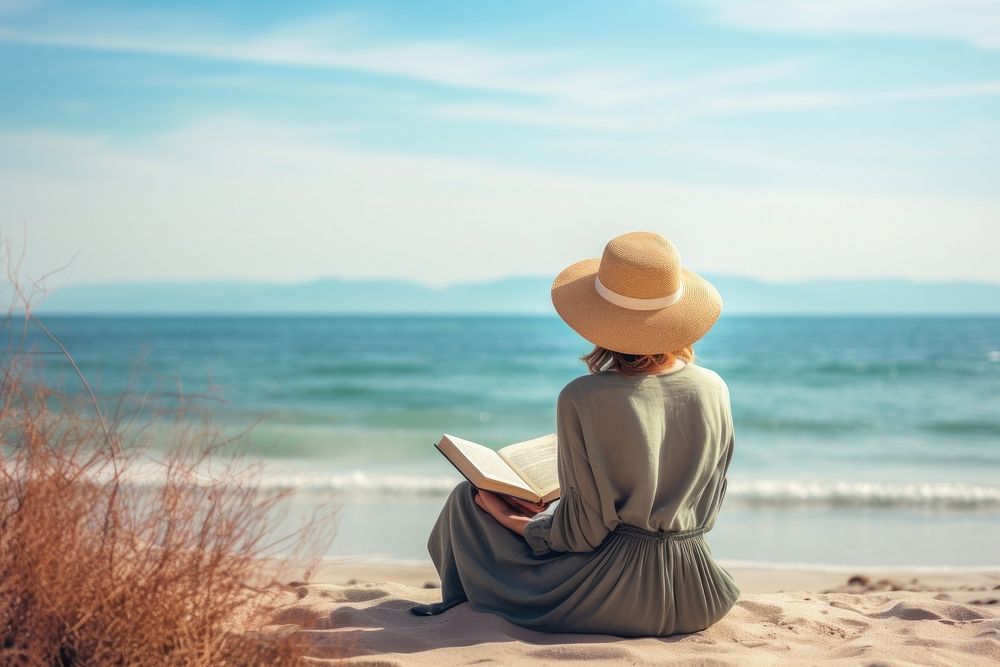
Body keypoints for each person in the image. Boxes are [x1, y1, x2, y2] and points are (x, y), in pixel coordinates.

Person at [411, 231, 739, 637]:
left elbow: (580, 534)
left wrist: (506, 513)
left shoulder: (583, 395)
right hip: (696, 594)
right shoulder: (714, 387)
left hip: (618, 600)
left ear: (599, 322)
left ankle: (458, 607)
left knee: (468, 499)